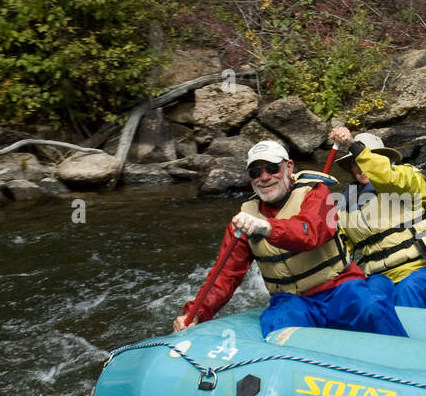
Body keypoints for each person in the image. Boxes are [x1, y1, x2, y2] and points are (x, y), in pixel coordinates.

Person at [173, 140, 408, 339]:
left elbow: (312, 233)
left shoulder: (317, 193)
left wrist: (267, 228)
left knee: (372, 307)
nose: (264, 177)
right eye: (256, 172)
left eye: (272, 169)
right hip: (292, 300)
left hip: (340, 288)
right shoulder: (246, 217)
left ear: (288, 167)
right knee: (281, 322)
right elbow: (225, 276)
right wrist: (195, 313)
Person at [328, 127, 426, 310]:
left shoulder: (407, 177)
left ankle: (411, 338)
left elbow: (387, 177)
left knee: (409, 289)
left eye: (365, 157)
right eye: (355, 161)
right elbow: (338, 250)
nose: (361, 166)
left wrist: (353, 146)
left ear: (384, 160)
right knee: (364, 300)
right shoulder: (345, 205)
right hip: (383, 277)